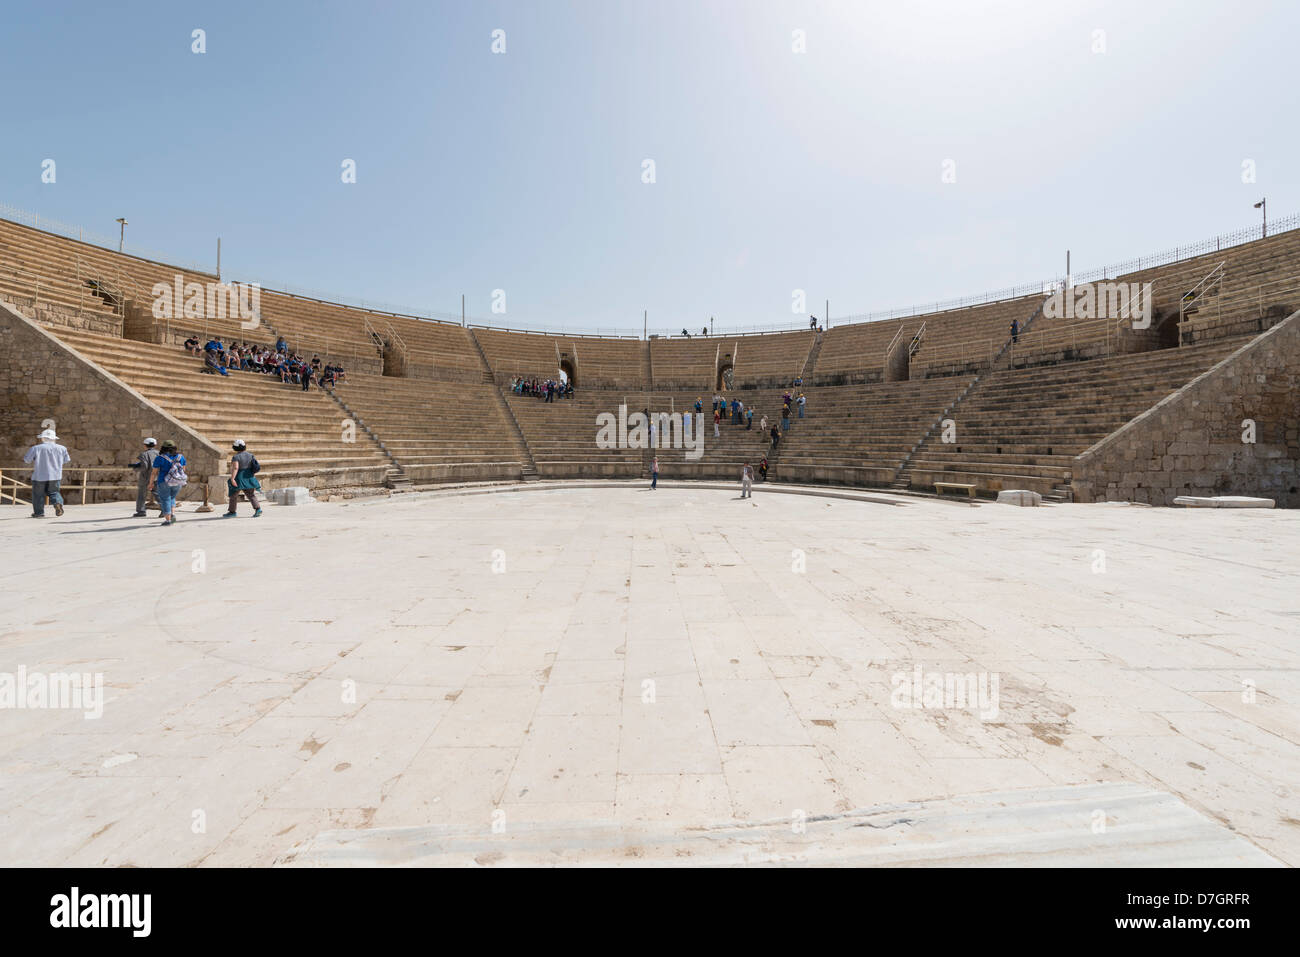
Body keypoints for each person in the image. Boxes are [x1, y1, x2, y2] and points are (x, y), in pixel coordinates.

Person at [24, 428, 70, 518]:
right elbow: (66, 460)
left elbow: (27, 460)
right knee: (54, 492)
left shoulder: (35, 448)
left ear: (42, 438)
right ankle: (57, 503)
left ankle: (39, 513)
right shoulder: (62, 448)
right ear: (54, 438)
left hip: (39, 476)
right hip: (55, 475)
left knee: (38, 495)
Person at [224, 439, 263, 518]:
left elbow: (236, 468)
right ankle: (258, 509)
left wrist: (232, 478)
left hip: (239, 478)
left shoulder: (236, 457)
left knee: (233, 495)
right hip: (249, 477)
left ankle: (232, 512)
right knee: (251, 495)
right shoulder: (250, 455)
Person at [151, 440, 187, 526]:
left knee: (165, 499)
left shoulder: (159, 458)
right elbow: (183, 469)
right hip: (177, 481)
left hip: (163, 481)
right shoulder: (181, 457)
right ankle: (172, 514)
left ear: (163, 448)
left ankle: (168, 520)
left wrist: (150, 483)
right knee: (172, 497)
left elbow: (154, 473)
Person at [129, 437, 158, 517]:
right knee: (157, 494)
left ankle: (141, 511)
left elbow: (144, 466)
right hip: (156, 476)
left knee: (142, 494)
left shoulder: (144, 454)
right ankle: (165, 510)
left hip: (145, 477)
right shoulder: (159, 453)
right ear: (155, 445)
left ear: (145, 445)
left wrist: (135, 468)